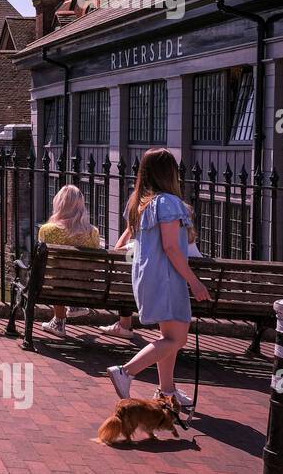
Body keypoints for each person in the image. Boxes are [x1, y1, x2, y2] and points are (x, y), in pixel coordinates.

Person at [105, 148, 209, 408]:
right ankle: (125, 371)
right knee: (177, 338)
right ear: (169, 173)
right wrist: (194, 281)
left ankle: (167, 390)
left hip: (147, 276)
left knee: (168, 337)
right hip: (167, 278)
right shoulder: (169, 203)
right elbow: (172, 247)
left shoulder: (140, 203)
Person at [101, 213, 203, 341]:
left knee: (126, 282)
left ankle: (125, 326)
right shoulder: (192, 247)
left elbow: (117, 250)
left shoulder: (152, 244)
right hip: (198, 300)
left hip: (167, 300)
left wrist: (129, 228)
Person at [35, 184, 100, 340]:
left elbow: (42, 261)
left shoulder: (47, 230)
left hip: (55, 287)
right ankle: (75, 304)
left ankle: (59, 322)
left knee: (56, 273)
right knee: (69, 274)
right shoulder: (93, 232)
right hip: (84, 286)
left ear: (59, 204)